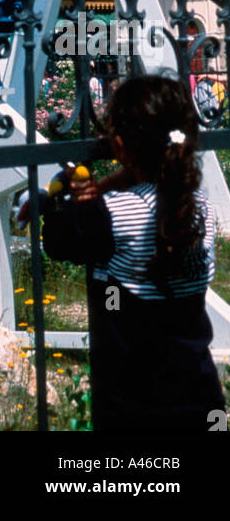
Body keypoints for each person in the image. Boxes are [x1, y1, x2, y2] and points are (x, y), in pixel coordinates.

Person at [42, 73, 227, 432]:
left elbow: (57, 239)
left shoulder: (108, 216)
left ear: (121, 148)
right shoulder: (197, 206)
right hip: (200, 396)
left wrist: (77, 194)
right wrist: (117, 182)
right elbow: (158, 187)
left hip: (133, 404)